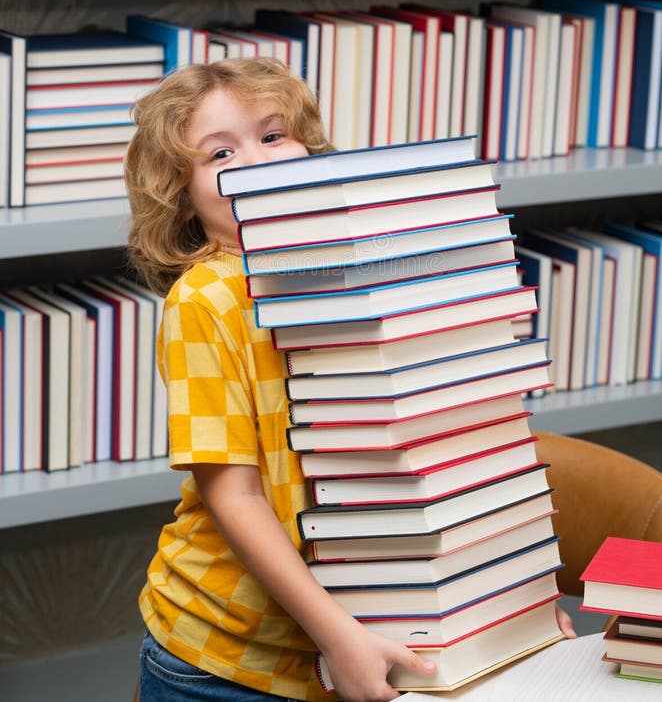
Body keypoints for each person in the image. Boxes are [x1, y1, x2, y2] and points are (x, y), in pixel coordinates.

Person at [125, 58, 575, 702]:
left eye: (273, 134)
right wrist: (336, 633)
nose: (257, 161)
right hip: (224, 654)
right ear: (182, 194)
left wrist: (510, 612)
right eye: (220, 153)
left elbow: (444, 450)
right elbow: (234, 496)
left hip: (366, 633)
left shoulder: (364, 267)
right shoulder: (205, 300)